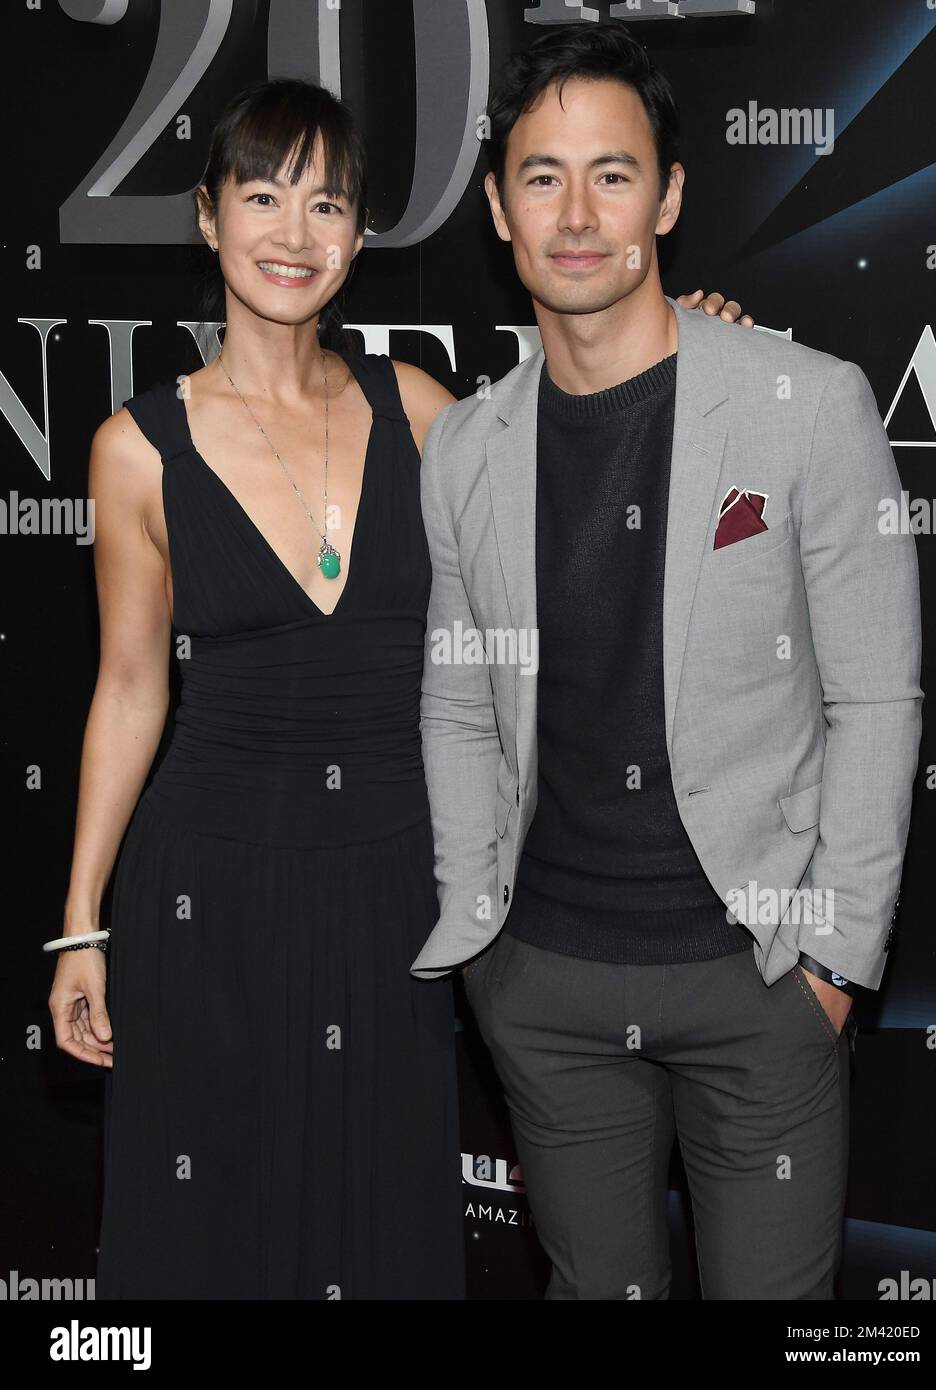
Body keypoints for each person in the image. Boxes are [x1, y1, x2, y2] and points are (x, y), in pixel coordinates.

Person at [47, 74, 745, 1299]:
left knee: (378, 1218)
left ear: (359, 237)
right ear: (208, 218)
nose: (293, 233)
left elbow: (574, 489)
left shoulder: (417, 410)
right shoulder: (133, 449)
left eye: (328, 205)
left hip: (392, 894)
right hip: (208, 887)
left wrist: (677, 350)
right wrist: (82, 919)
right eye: (261, 196)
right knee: (207, 1226)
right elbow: (125, 690)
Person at [412, 22, 922, 1300]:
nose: (577, 214)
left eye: (613, 173)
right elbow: (462, 701)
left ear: (671, 194)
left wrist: (832, 965)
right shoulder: (467, 451)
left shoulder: (811, 404)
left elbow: (875, 697)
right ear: (496, 207)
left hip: (760, 983)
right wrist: (483, 943)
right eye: (542, 176)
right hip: (546, 988)